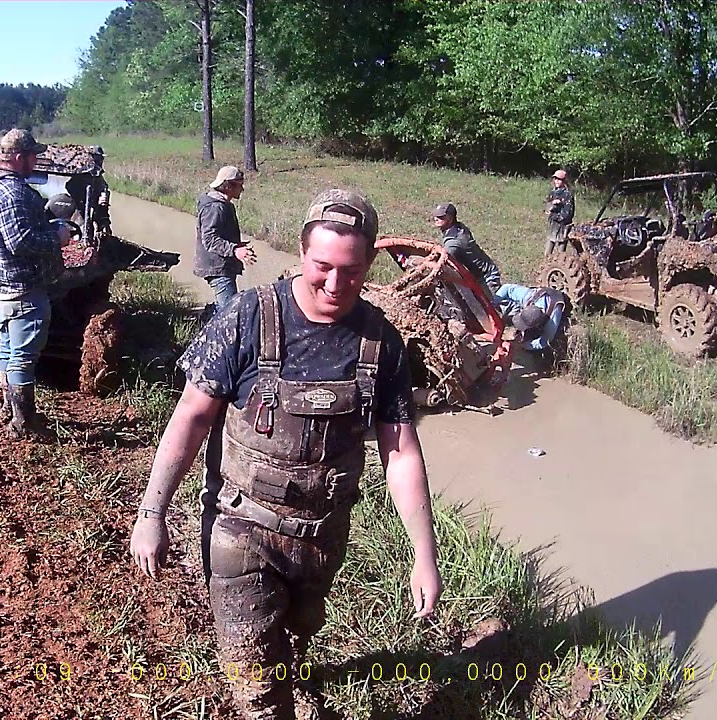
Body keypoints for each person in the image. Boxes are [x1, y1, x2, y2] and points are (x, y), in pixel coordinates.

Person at [130, 189, 442, 719]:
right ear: (300, 254)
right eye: (323, 266)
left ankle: (291, 656)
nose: (335, 284)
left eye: (352, 271)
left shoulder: (381, 343)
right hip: (239, 527)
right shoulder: (248, 317)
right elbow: (191, 417)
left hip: (322, 535)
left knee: (298, 631)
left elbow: (401, 452)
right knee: (258, 685)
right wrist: (151, 514)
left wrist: (424, 553)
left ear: (368, 264)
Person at [0, 128, 71, 441]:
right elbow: (20, 241)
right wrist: (57, 237)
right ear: (19, 158)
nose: (37, 160)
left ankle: (11, 409)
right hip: (23, 288)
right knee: (22, 355)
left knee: (7, 347)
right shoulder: (13, 192)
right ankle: (24, 423)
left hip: (4, 286)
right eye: (33, 155)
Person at [194, 165, 257, 311]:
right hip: (217, 268)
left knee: (227, 307)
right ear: (228, 186)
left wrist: (237, 245)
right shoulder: (215, 207)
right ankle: (209, 320)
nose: (242, 189)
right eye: (239, 185)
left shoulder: (223, 204)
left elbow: (218, 234)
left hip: (221, 264)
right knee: (229, 312)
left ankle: (209, 314)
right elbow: (209, 239)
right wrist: (235, 250)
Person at [431, 202, 501, 293]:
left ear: (450, 219)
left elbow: (442, 263)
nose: (436, 219)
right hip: (479, 274)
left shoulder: (454, 243)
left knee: (495, 304)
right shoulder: (459, 227)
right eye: (436, 216)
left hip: (486, 276)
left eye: (441, 217)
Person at [494, 282, 567, 369]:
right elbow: (507, 288)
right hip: (543, 296)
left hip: (556, 302)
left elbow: (544, 342)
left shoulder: (551, 323)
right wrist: (491, 305)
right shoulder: (529, 297)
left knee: (539, 342)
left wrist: (525, 345)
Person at [544, 169, 575, 255]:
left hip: (562, 227)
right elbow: (546, 207)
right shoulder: (552, 192)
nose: (557, 181)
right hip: (552, 226)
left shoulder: (568, 194)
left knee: (561, 254)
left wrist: (556, 215)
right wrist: (552, 205)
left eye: (559, 179)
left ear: (564, 181)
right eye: (555, 179)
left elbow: (568, 214)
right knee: (547, 253)